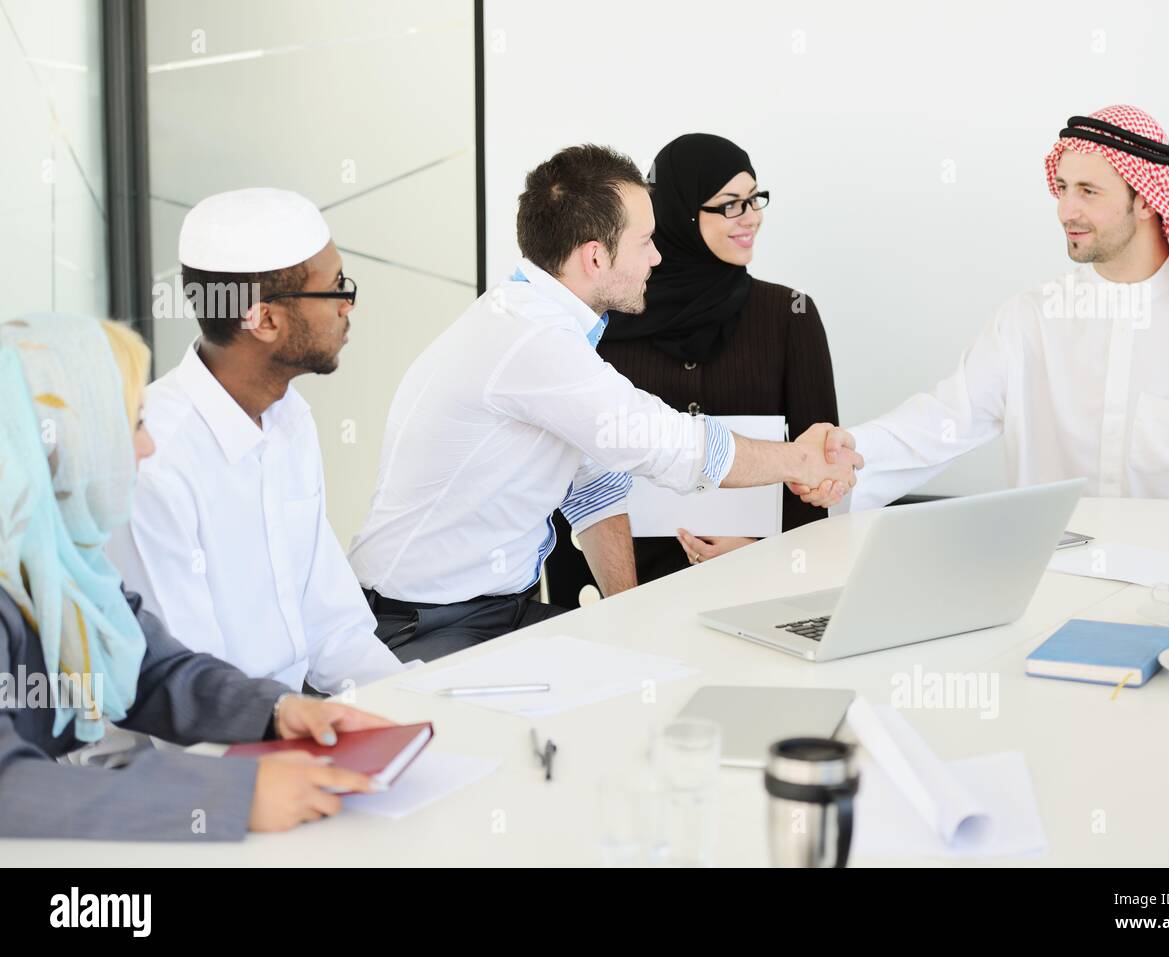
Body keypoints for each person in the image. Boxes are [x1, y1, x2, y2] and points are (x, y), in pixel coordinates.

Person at [348, 144, 860, 662]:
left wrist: (627, 614)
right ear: (595, 256)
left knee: (644, 671)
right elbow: (670, 445)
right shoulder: (533, 340)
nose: (657, 257)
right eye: (645, 243)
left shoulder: (545, 323)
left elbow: (594, 485)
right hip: (424, 624)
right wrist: (802, 457)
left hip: (493, 611)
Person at [0, 316, 395, 840]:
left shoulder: (60, 560)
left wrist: (276, 711)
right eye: (132, 424)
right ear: (71, 441)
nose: (147, 447)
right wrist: (229, 794)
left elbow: (157, 672)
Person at [796, 105, 1169, 511]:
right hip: (1059, 597)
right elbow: (945, 420)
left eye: (1088, 192)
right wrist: (847, 451)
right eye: (1062, 189)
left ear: (1146, 200)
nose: (1066, 210)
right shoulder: (1032, 320)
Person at [109, 188, 402, 694]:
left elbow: (335, 631)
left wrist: (419, 711)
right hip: (202, 757)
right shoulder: (154, 464)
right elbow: (188, 699)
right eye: (335, 288)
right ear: (264, 320)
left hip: (286, 725)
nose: (348, 304)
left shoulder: (291, 419)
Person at [546, 133, 839, 598]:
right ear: (681, 214)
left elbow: (814, 458)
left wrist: (762, 551)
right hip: (626, 589)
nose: (752, 218)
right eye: (730, 205)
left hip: (758, 585)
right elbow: (574, 467)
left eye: (754, 199)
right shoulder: (610, 319)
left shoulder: (789, 314)